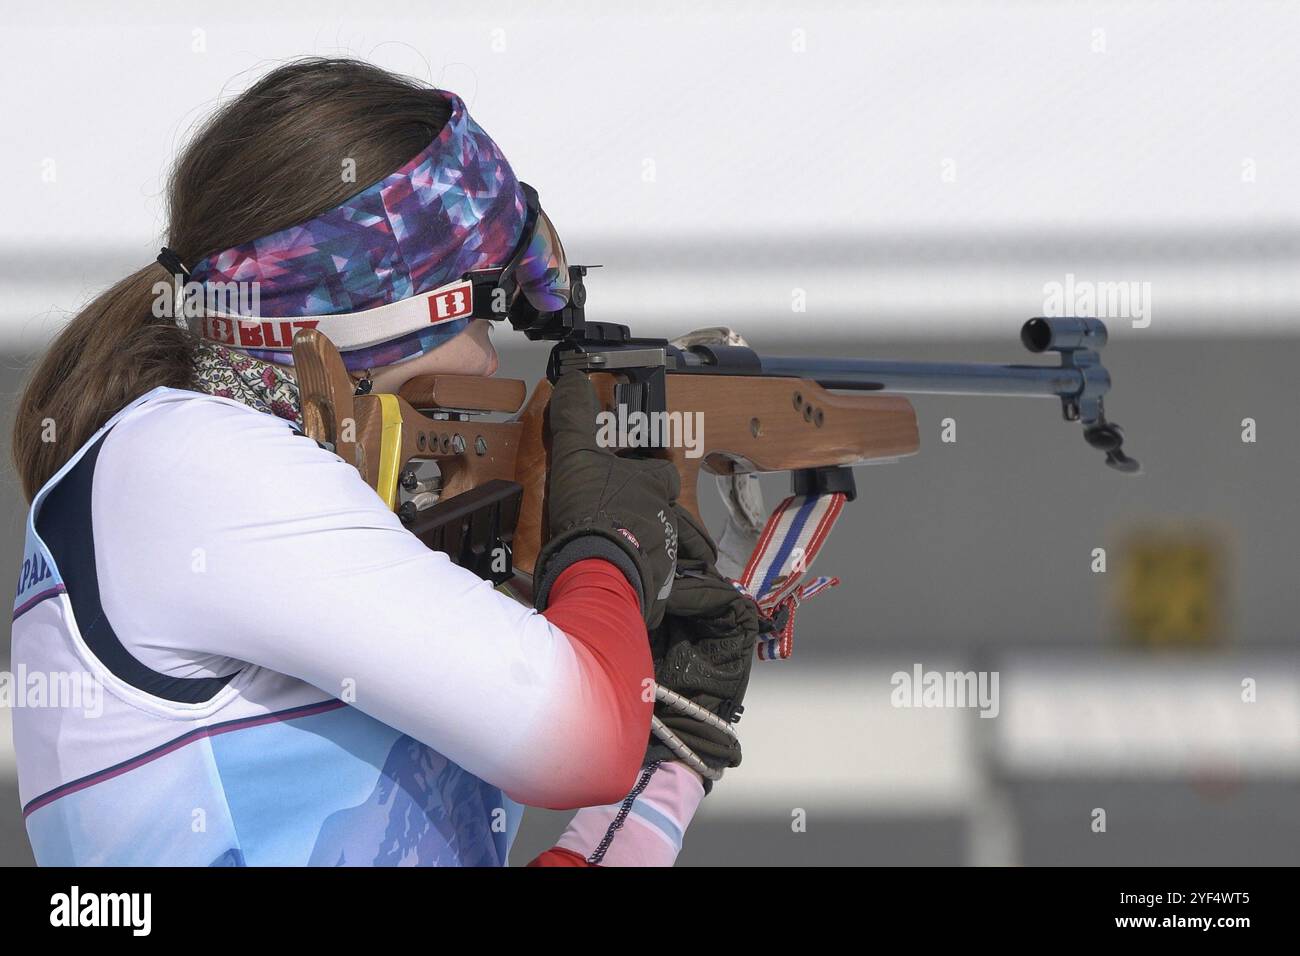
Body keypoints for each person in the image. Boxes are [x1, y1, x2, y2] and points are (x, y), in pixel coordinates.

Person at [9, 57, 757, 867]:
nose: (486, 363)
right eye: (482, 308)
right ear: (387, 319)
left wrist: (671, 770)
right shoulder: (188, 462)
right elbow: (585, 738)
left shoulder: (193, 470)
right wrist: (607, 539)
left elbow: (593, 751)